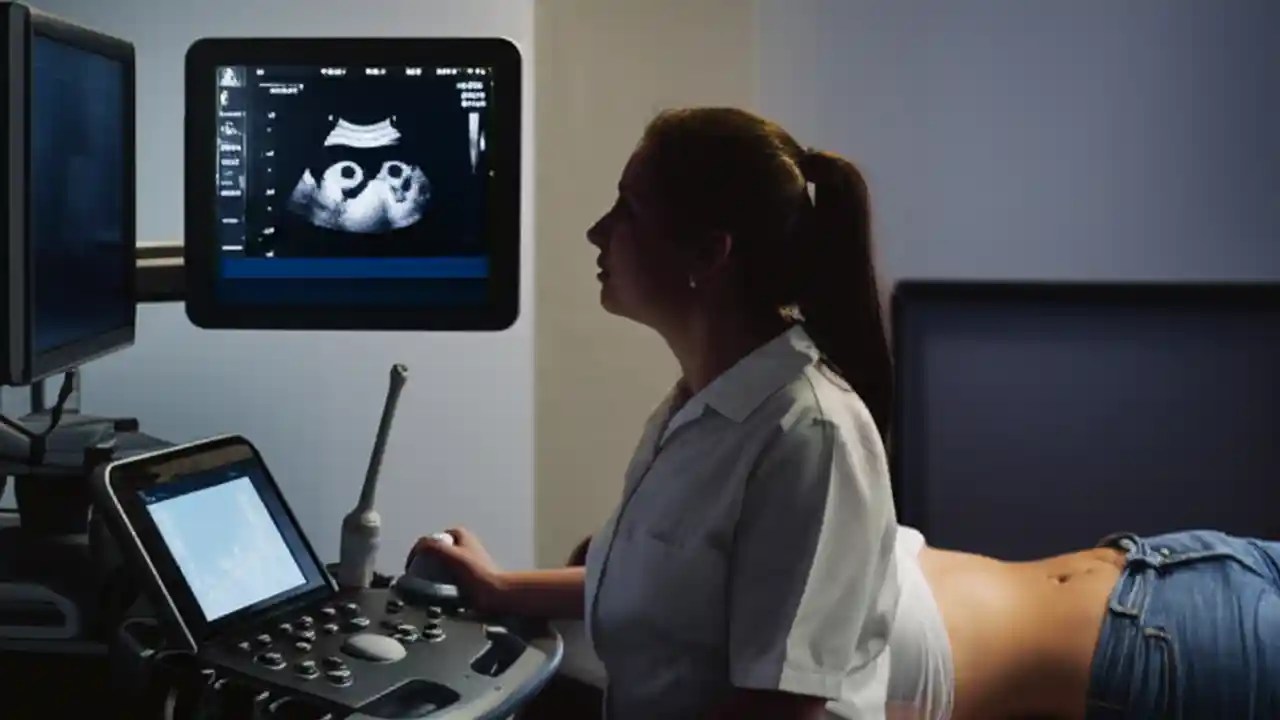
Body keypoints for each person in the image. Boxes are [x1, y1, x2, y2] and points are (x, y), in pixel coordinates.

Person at [408, 107, 903, 719]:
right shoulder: (699, 404)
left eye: (626, 209)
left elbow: (778, 707)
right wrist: (503, 587)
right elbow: (670, 585)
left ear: (708, 253)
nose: (597, 232)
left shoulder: (810, 434)